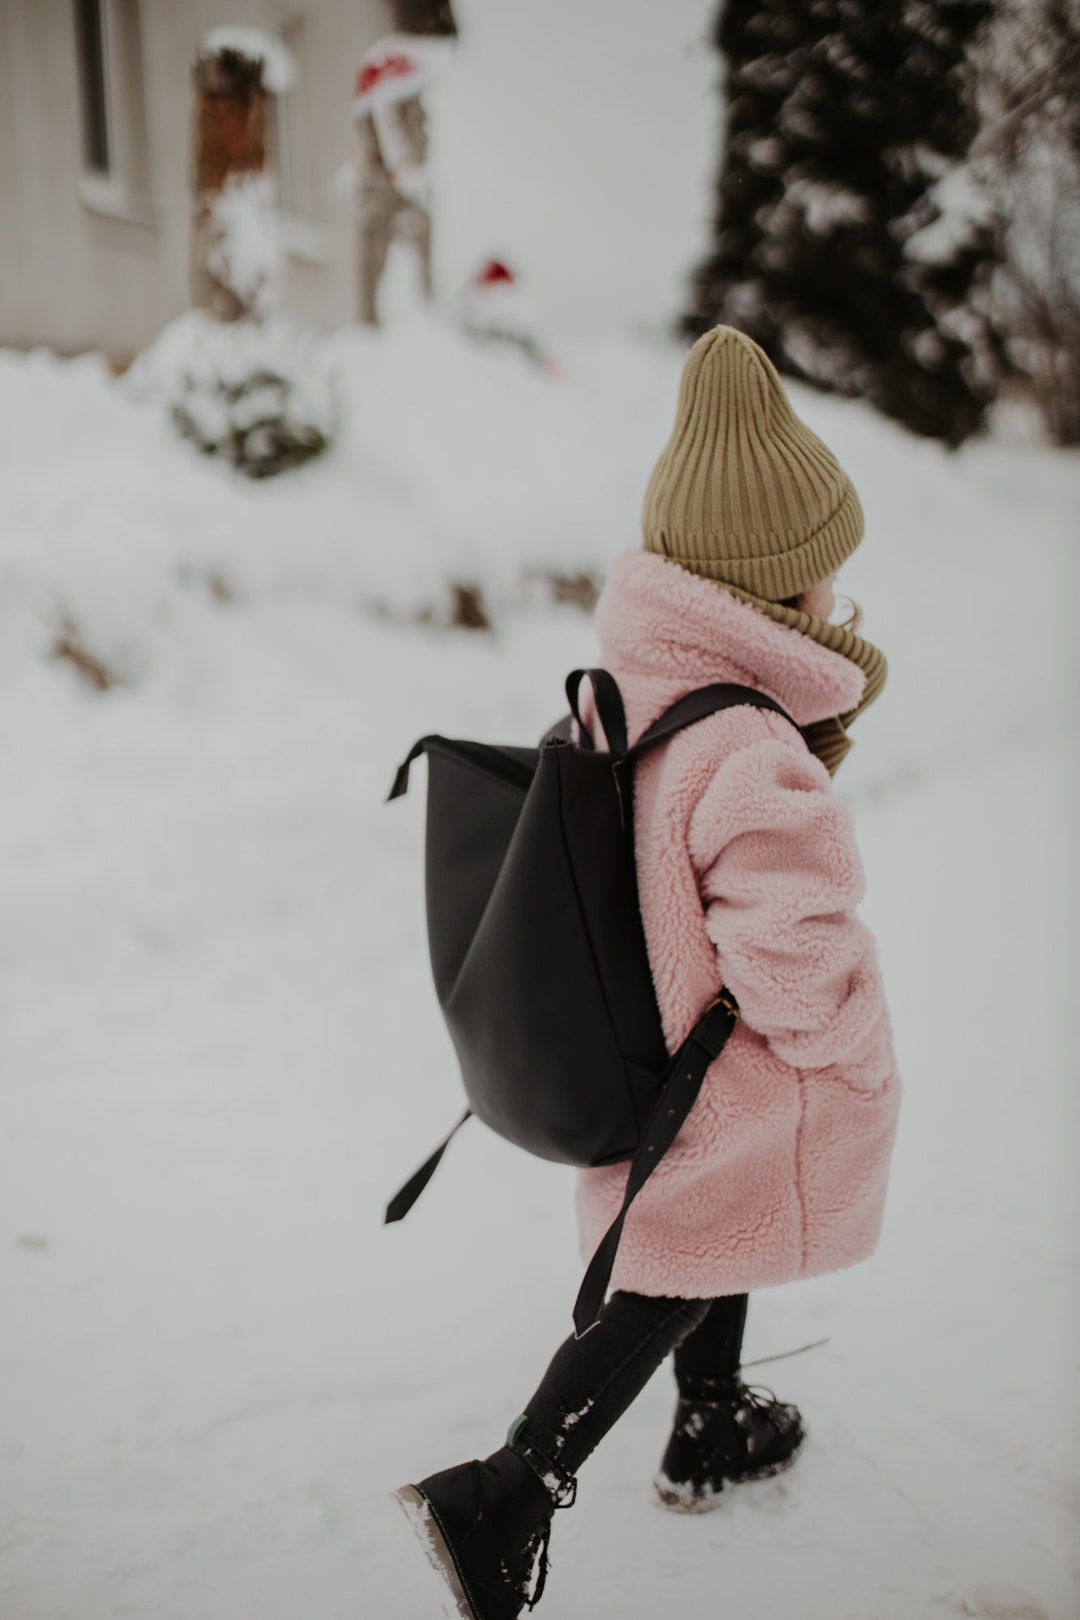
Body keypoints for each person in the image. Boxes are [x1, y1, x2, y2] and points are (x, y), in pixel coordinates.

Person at [396, 326, 901, 1618]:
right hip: (716, 1063)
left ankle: (715, 1415)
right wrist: (852, 1047)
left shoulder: (636, 685)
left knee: (708, 1221)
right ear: (776, 596)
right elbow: (794, 951)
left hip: (652, 1043)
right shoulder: (753, 748)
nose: (841, 604)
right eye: (826, 583)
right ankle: (507, 1491)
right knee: (676, 1257)